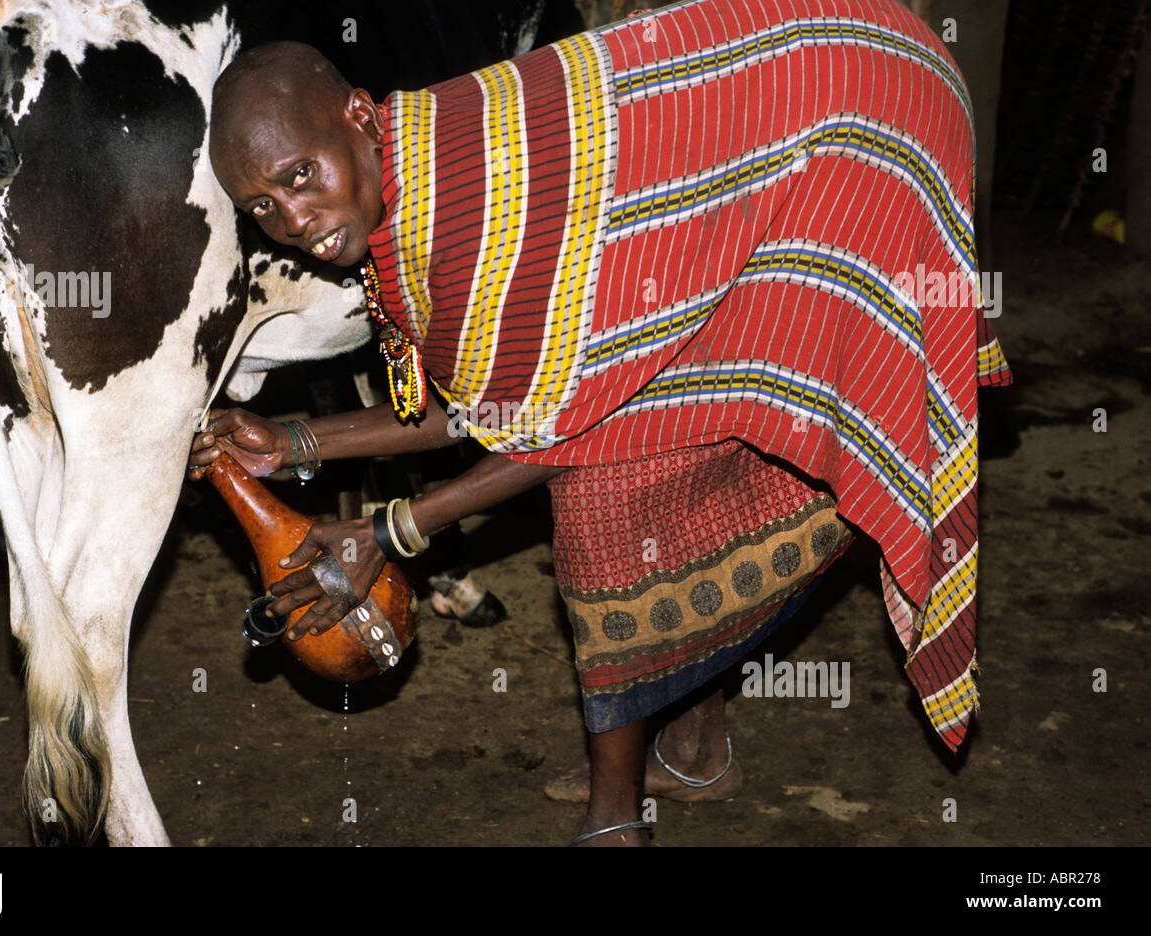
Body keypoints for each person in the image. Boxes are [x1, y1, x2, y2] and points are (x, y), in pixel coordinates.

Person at [187, 0, 1011, 846]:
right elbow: (490, 402)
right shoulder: (410, 167)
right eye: (262, 209)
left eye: (298, 178)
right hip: (804, 114)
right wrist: (297, 442)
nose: (293, 224)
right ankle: (695, 745)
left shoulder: (468, 208)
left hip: (865, 116)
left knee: (603, 494)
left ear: (360, 114)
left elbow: (552, 433)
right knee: (647, 398)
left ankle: (615, 822)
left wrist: (389, 530)